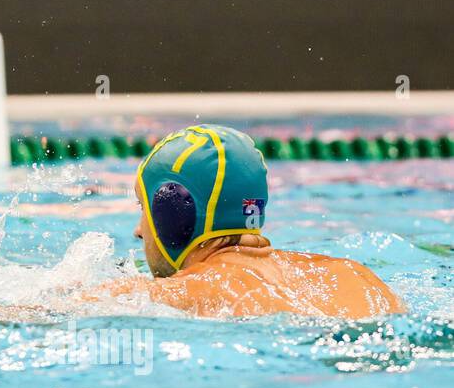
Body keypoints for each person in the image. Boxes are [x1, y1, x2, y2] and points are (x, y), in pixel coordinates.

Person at [72, 124, 400, 318]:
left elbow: (37, 313)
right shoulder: (355, 275)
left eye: (143, 207)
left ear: (174, 211)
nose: (139, 230)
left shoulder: (179, 294)